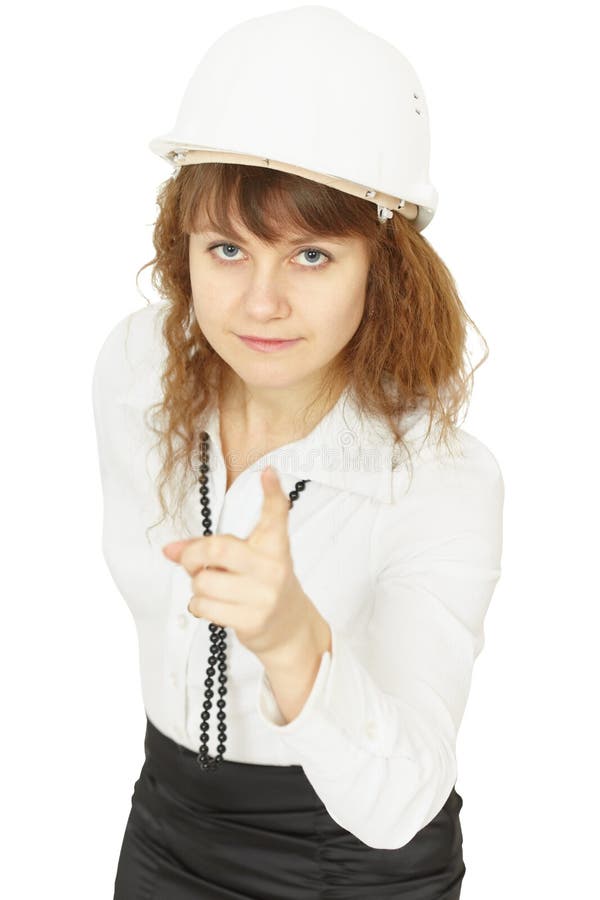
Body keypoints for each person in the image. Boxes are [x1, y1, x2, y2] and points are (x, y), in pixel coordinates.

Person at [92, 6, 504, 898]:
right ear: (182, 247)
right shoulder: (134, 373)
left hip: (353, 861)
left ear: (382, 269)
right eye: (228, 248)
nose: (260, 303)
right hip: (166, 828)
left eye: (312, 254)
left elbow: (402, 799)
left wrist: (292, 640)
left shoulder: (438, 478)